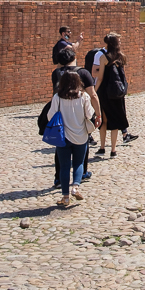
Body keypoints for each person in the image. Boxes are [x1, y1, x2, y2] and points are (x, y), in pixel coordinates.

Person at [51, 46, 100, 186]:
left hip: (61, 113)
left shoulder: (56, 73)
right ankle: (82, 173)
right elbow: (93, 95)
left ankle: (59, 178)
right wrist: (98, 114)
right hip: (79, 112)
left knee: (60, 148)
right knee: (82, 144)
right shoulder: (83, 72)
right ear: (73, 58)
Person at [92, 33, 134, 155]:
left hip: (105, 92)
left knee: (104, 120)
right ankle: (113, 150)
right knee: (115, 121)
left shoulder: (103, 58)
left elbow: (100, 78)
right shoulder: (121, 57)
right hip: (117, 92)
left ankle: (102, 147)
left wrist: (94, 91)